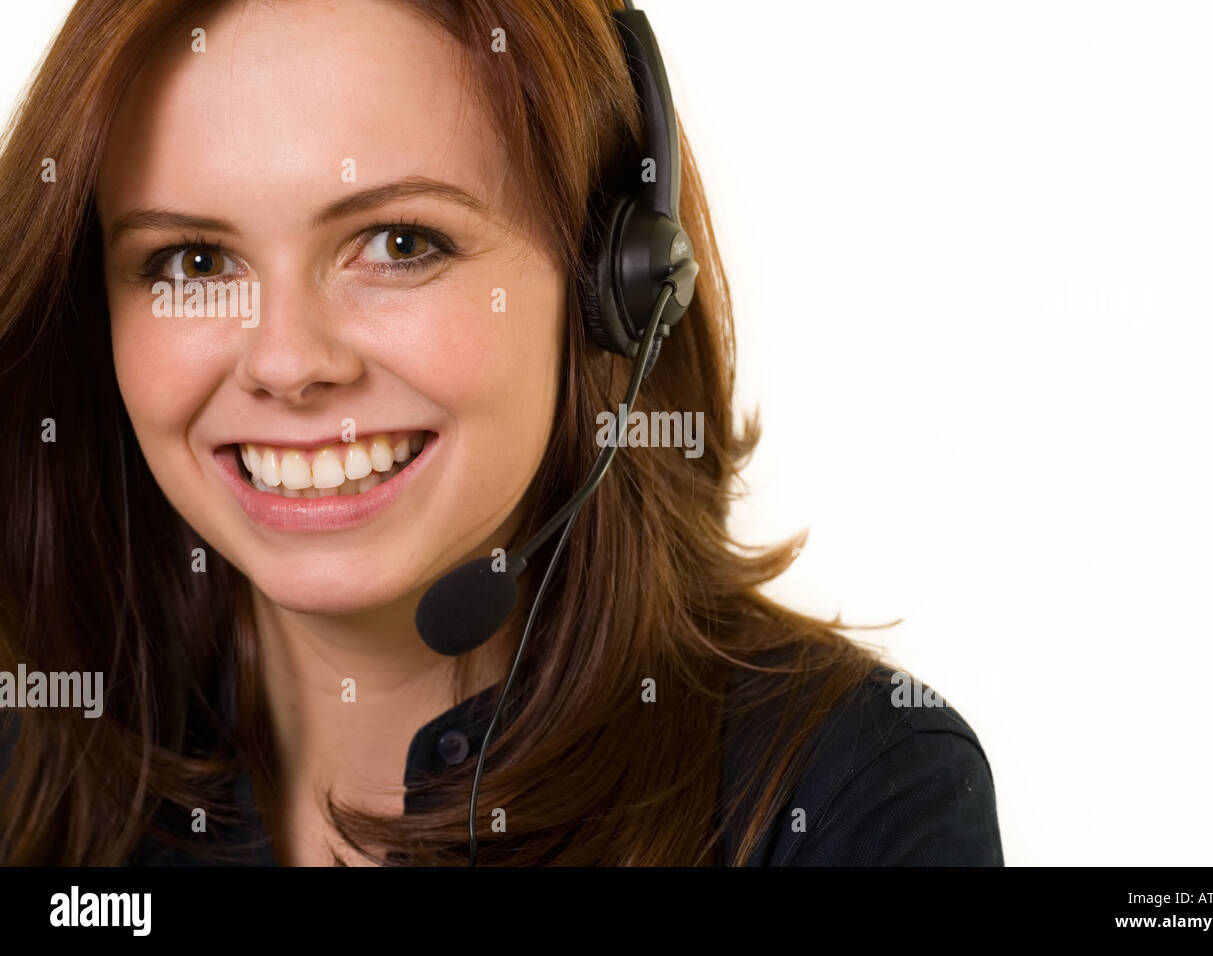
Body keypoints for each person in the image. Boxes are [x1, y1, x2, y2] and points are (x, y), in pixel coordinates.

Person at [0, 0, 1003, 866]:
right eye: (192, 260)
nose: (286, 360)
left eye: (399, 243)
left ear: (614, 288)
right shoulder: (35, 742)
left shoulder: (847, 791)